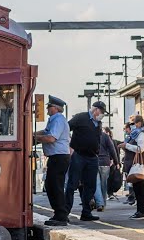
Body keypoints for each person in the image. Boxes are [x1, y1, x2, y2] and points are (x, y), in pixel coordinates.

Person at [65, 101, 105, 222]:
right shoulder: (80, 117)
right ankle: (65, 212)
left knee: (91, 186)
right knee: (72, 184)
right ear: (96, 110)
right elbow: (66, 128)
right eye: (102, 112)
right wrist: (69, 145)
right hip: (79, 155)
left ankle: (86, 212)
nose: (102, 115)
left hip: (92, 157)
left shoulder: (98, 123)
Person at [36, 96, 72, 226]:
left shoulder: (58, 120)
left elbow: (51, 138)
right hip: (56, 157)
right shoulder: (54, 119)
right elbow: (45, 132)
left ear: (55, 108)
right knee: (52, 186)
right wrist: (33, 134)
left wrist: (35, 137)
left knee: (55, 186)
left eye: (49, 107)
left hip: (59, 157)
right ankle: (59, 213)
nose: (46, 109)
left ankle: (61, 215)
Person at [123, 117, 144, 218]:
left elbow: (140, 149)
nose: (131, 126)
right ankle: (140, 211)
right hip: (135, 165)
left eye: (133, 124)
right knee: (137, 189)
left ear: (139, 123)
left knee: (139, 190)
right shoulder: (135, 134)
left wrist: (126, 146)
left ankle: (141, 212)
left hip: (139, 165)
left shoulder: (142, 134)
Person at [95, 125, 120, 211]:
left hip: (94, 162)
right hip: (105, 163)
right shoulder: (105, 136)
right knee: (104, 184)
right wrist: (116, 162)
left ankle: (99, 203)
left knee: (96, 184)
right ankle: (103, 203)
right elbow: (112, 149)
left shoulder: (91, 136)